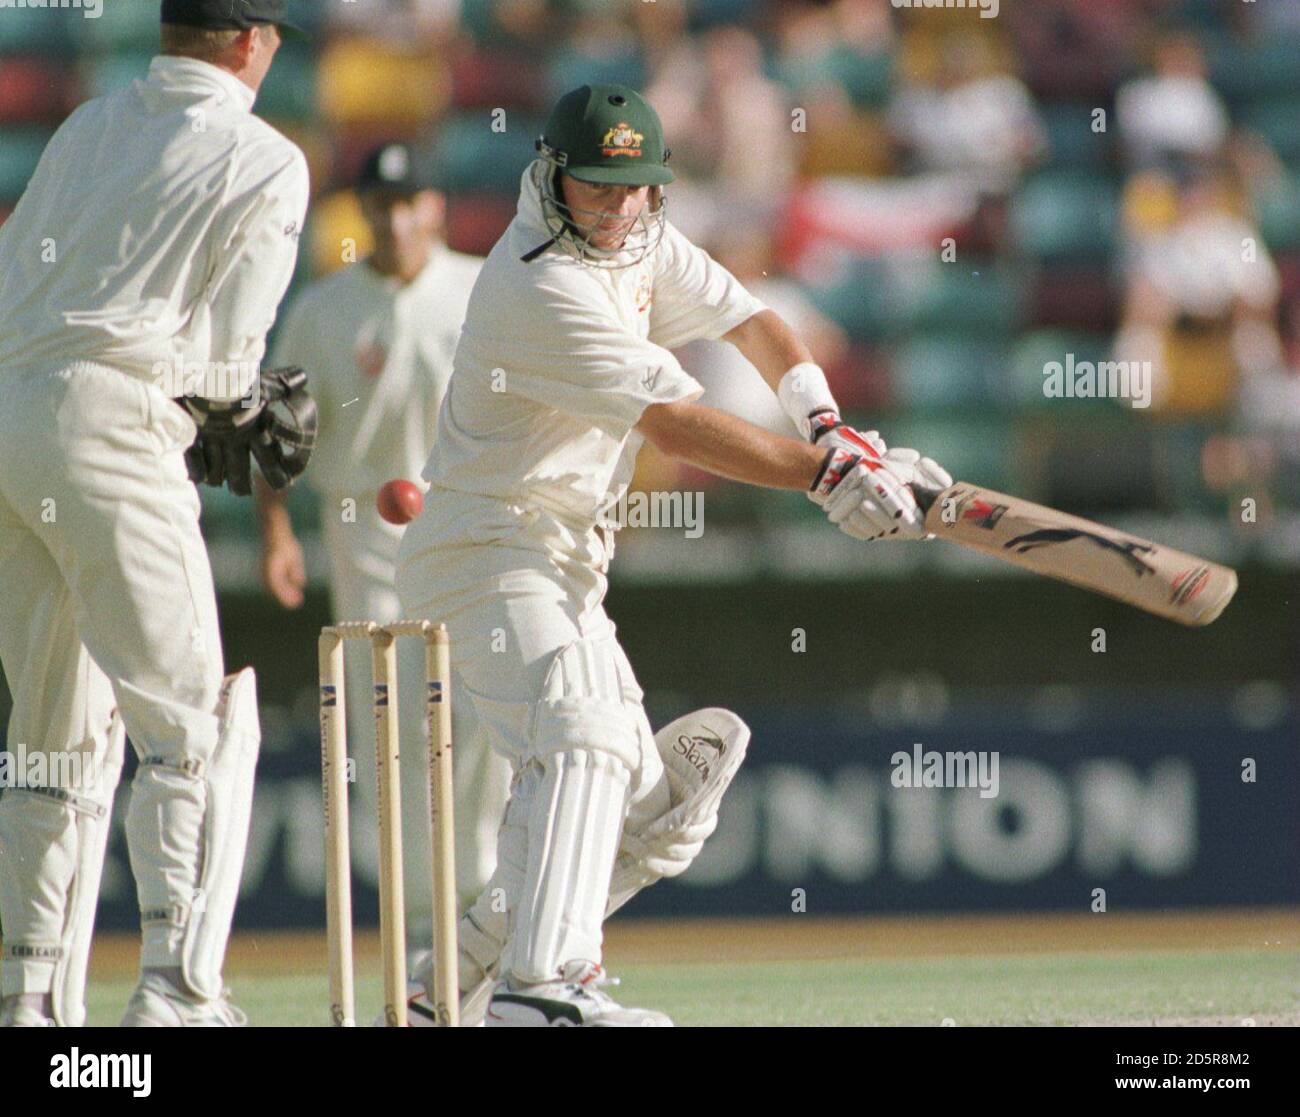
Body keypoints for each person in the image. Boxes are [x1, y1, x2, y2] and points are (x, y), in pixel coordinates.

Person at [396, 83, 952, 1026]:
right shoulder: (538, 282)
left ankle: (450, 978)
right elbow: (677, 424)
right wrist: (827, 478)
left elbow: (756, 323)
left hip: (569, 559)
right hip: (484, 548)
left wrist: (832, 428)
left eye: (639, 189)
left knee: (658, 813)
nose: (619, 210)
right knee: (583, 728)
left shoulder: (645, 237)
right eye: (599, 188)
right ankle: (544, 988)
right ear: (552, 174)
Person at [0, 0, 314, 1027]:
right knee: (195, 728)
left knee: (53, 737)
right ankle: (178, 995)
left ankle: (32, 1004)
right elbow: (228, 363)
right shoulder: (265, 157)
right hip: (110, 421)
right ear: (248, 41)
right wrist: (248, 408)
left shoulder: (87, 122)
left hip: (9, 419)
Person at [256, 144, 512, 975]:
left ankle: (488, 921)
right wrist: (277, 534)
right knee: (388, 735)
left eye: (411, 203)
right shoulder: (323, 309)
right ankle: (413, 933)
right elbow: (277, 434)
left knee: (482, 721)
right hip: (361, 533)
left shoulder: (482, 290)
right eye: (381, 205)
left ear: (436, 207)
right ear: (363, 212)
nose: (397, 220)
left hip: (470, 526)